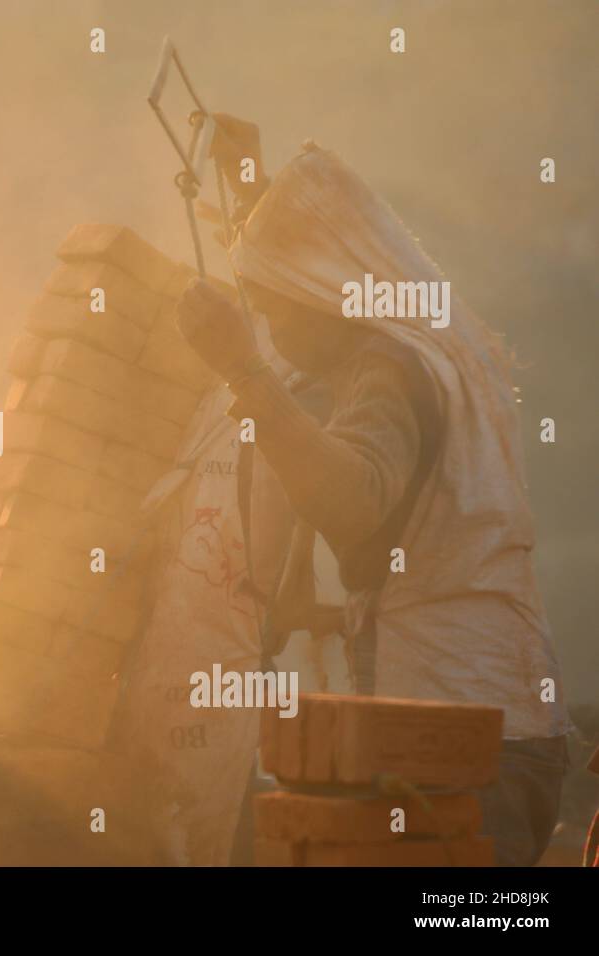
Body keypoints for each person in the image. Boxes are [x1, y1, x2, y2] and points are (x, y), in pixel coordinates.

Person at [173, 119, 572, 866]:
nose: (267, 325)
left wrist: (242, 370)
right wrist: (255, 188)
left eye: (274, 303)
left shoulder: (385, 369)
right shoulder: (434, 337)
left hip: (455, 747)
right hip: (514, 725)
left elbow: (356, 498)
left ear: (321, 289)